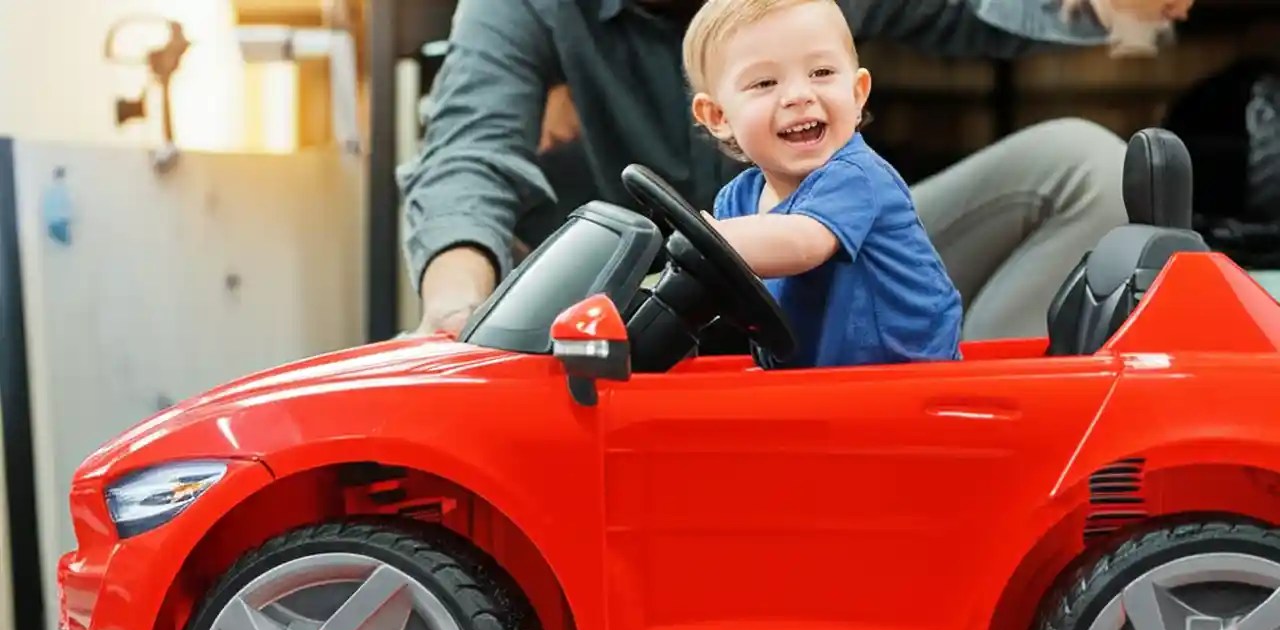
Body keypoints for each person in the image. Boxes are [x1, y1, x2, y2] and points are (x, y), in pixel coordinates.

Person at [397, 0, 1196, 341]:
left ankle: (960, 424)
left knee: (1086, 166)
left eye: (816, 79)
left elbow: (964, 7)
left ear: (856, 92)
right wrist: (458, 305)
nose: (793, 102)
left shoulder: (845, 188)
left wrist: (1106, 5)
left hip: (829, 283)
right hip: (638, 321)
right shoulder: (522, 11)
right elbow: (469, 155)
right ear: (715, 112)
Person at [687, 0, 962, 368]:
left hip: (907, 384)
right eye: (765, 82)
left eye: (820, 72)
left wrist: (703, 238)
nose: (799, 95)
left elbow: (803, 243)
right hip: (816, 388)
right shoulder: (739, 199)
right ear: (718, 116)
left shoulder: (856, 177)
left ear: (857, 92)